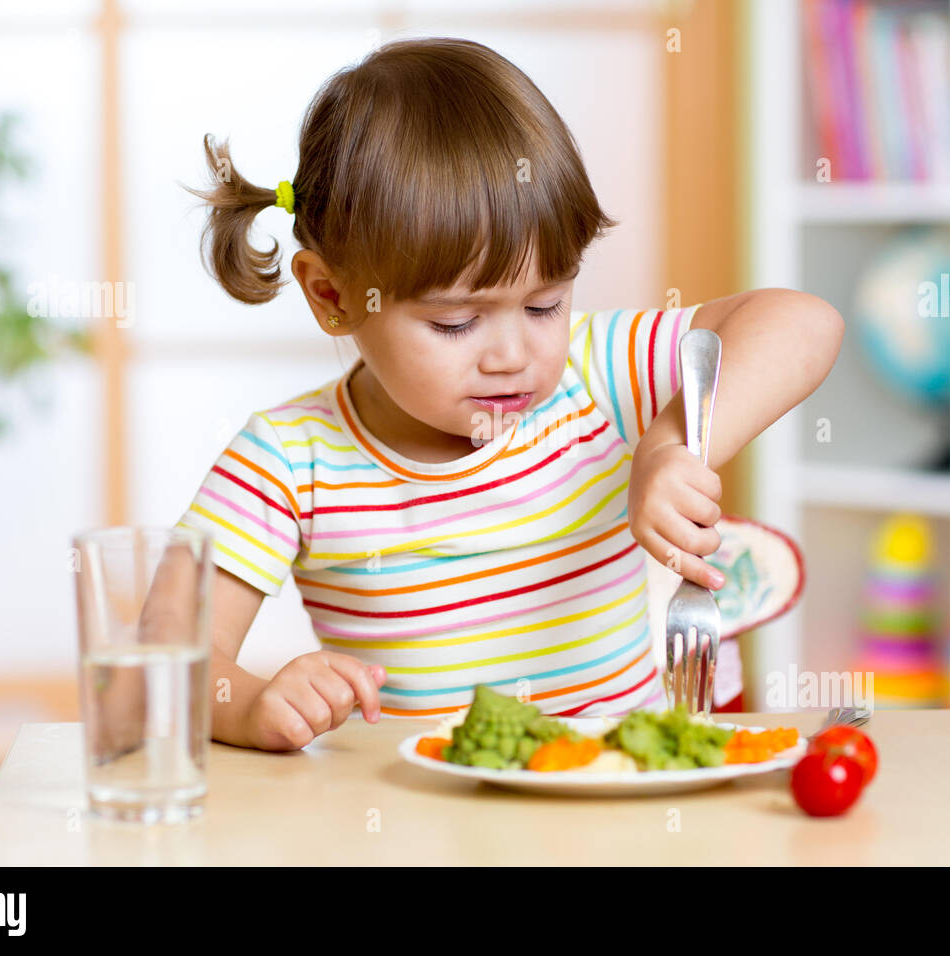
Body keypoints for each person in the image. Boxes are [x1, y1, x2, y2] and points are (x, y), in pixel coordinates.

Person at [172, 37, 842, 751]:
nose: (515, 356)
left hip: (619, 803)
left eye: (545, 305)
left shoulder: (594, 375)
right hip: (425, 827)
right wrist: (247, 706)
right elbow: (164, 657)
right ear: (333, 295)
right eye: (456, 321)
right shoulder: (288, 460)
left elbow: (804, 323)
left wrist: (672, 443)